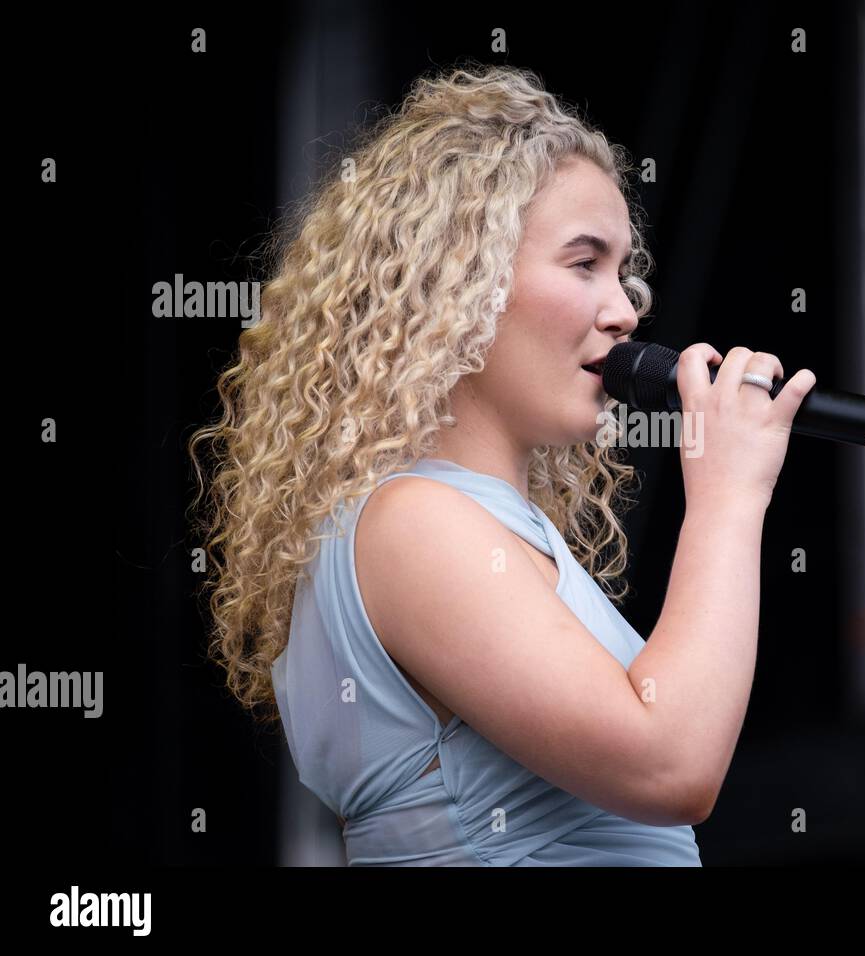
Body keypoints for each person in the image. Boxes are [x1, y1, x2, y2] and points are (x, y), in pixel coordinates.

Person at [186, 62, 815, 865]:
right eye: (583, 263)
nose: (627, 308)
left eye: (623, 271)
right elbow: (670, 766)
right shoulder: (415, 524)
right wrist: (729, 497)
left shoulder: (474, 525)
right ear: (456, 282)